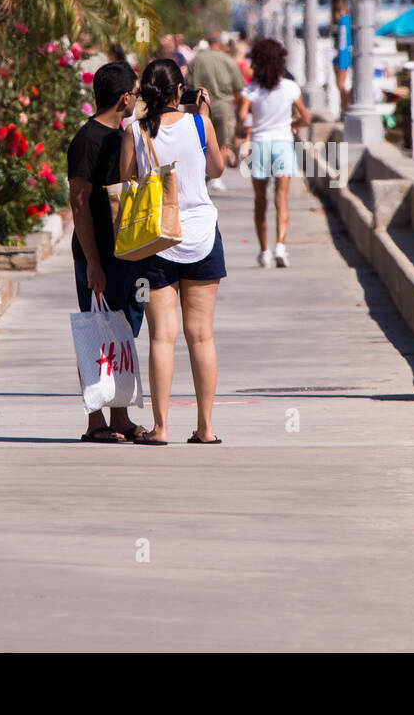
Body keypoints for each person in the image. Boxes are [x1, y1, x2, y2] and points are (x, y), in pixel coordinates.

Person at [119, 58, 228, 444]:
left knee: (161, 336)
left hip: (155, 243)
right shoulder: (200, 124)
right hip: (202, 237)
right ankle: (206, 427)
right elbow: (216, 170)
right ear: (180, 90)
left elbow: (125, 181)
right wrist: (203, 115)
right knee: (201, 336)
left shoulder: (134, 131)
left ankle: (161, 428)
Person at [67, 61, 146, 443]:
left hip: (124, 254)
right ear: (124, 97)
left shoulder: (124, 135)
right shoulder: (88, 140)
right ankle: (95, 421)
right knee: (96, 335)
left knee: (123, 333)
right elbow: (79, 203)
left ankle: (120, 417)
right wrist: (93, 263)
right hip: (96, 254)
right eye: (136, 91)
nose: (138, 97)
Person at [237, 37, 312, 268]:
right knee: (282, 198)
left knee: (261, 201)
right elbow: (306, 119)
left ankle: (264, 251)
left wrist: (250, 125)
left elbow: (241, 119)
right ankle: (281, 245)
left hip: (259, 144)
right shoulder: (290, 88)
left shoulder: (250, 90)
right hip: (282, 143)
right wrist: (292, 120)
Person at [188, 31, 245, 187]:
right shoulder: (228, 61)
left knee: (200, 142)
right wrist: (240, 112)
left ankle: (201, 173)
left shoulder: (196, 60)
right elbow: (239, 88)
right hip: (223, 108)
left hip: (199, 107)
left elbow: (189, 85)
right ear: (220, 44)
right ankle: (216, 177)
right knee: (222, 143)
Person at [332, 0, 352, 115]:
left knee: (340, 86)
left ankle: (345, 108)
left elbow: (343, 45)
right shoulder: (345, 24)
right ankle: (344, 107)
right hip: (341, 57)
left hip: (342, 57)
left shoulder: (344, 23)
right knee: (340, 86)